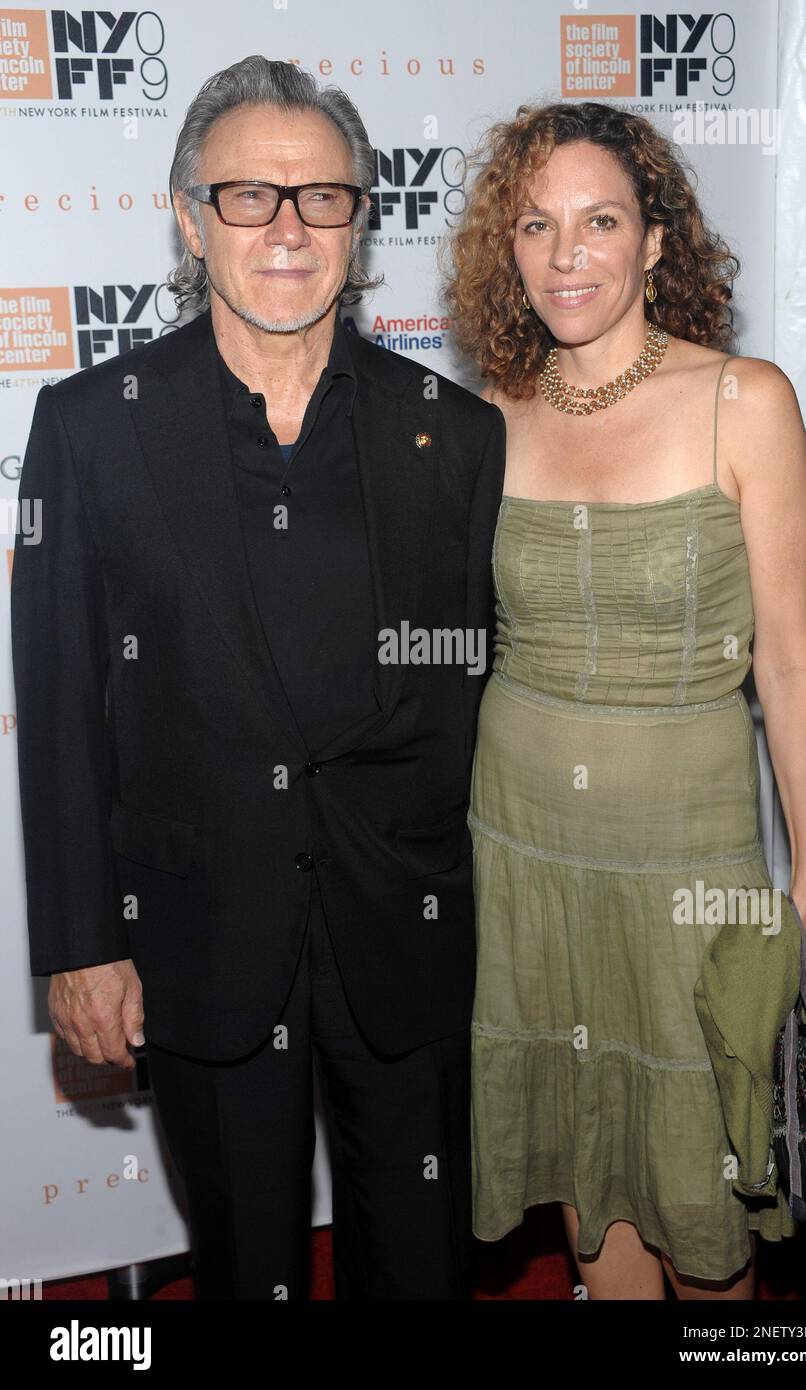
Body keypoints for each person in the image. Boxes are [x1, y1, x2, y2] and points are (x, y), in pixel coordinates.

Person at [11, 56, 505, 1300]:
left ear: (361, 217)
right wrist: (78, 944)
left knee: (424, 1270)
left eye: (322, 196)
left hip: (406, 927)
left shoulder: (453, 432)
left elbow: (484, 686)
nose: (288, 227)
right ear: (189, 217)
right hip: (201, 933)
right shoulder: (89, 425)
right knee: (245, 1270)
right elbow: (61, 704)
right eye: (249, 196)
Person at [442, 101, 806, 1299]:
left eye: (600, 221)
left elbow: (788, 658)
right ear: (506, 250)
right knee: (590, 1176)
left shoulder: (743, 400)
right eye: (537, 225)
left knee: (708, 1204)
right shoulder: (488, 422)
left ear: (658, 241)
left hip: (689, 860)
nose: (567, 255)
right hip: (522, 841)